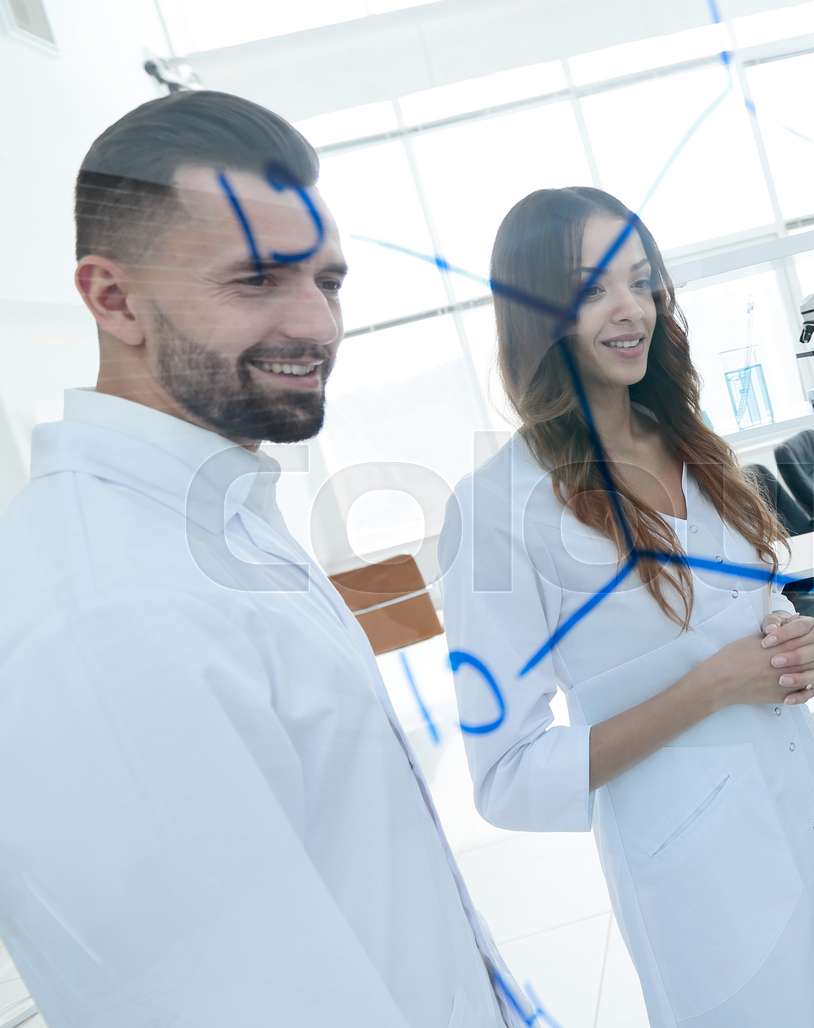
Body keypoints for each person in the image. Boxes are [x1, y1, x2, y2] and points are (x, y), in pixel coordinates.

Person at [0, 91, 520, 1026]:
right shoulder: (109, 610)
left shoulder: (211, 518)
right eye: (256, 283)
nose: (316, 325)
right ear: (113, 300)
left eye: (327, 281)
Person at [439, 186, 814, 1028]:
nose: (629, 308)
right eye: (593, 288)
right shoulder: (495, 508)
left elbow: (739, 608)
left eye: (641, 281)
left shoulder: (689, 442)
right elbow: (508, 778)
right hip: (698, 878)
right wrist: (711, 685)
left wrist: (793, 640)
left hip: (809, 814)